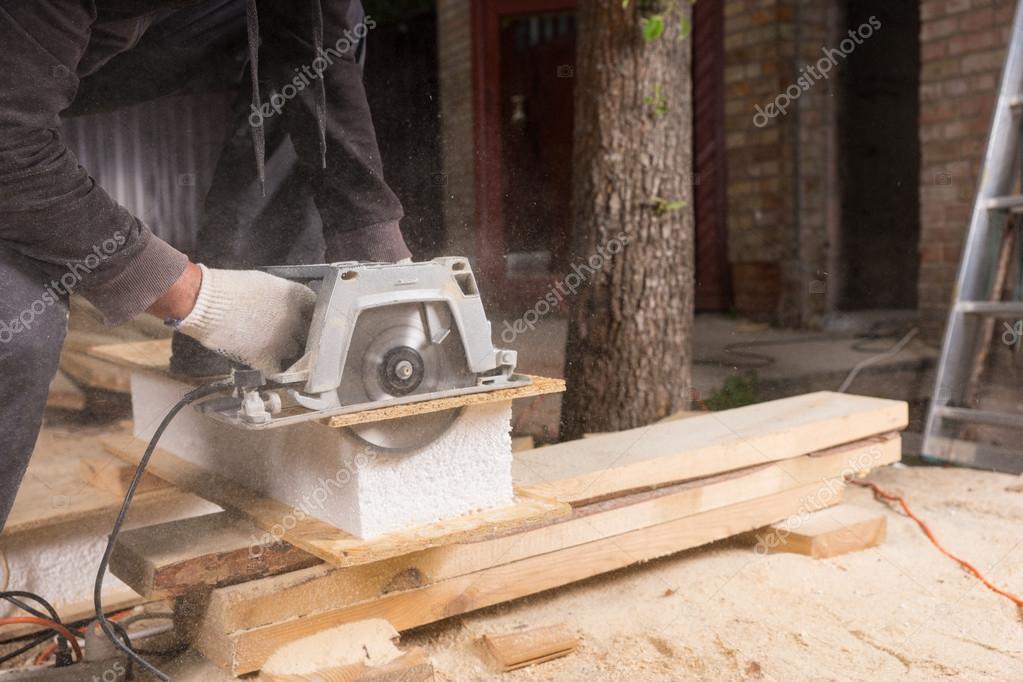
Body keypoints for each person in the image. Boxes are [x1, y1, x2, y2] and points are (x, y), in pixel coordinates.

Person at [0, 0, 411, 531]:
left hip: (75, 47)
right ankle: (226, 321)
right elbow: (9, 145)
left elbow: (313, 40)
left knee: (335, 20)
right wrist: (202, 301)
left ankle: (223, 348)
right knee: (20, 331)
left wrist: (376, 245)